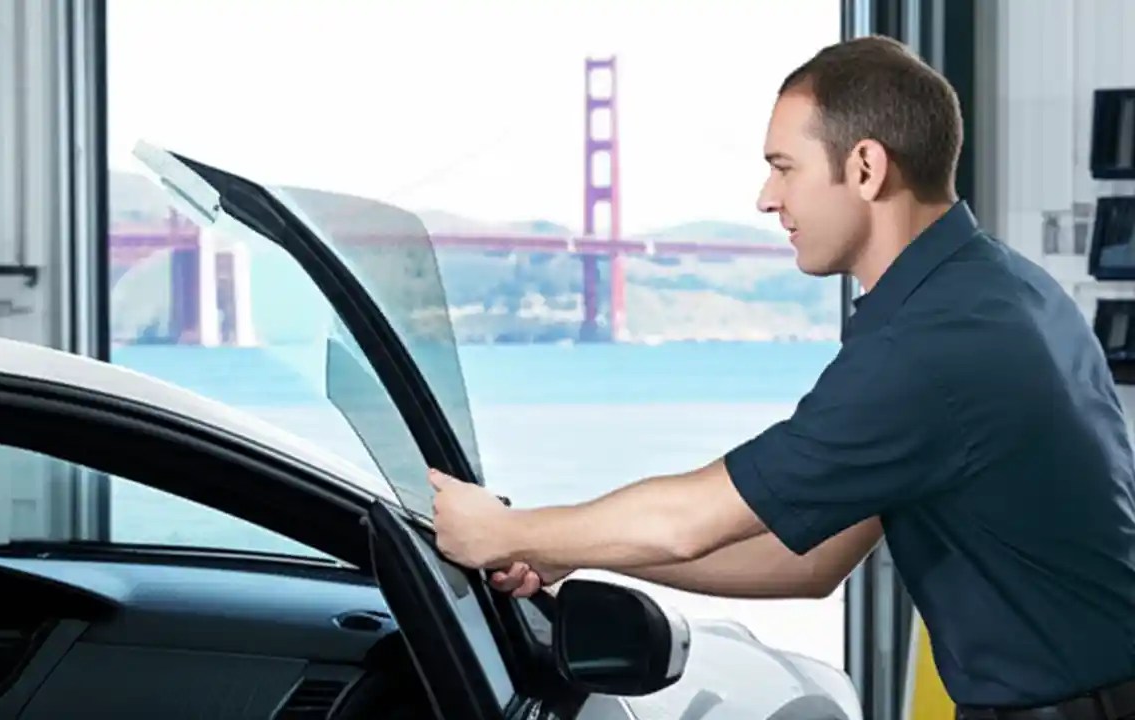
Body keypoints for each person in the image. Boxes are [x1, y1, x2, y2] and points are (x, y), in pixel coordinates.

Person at [429, 34, 1135, 719]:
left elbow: (689, 521)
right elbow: (808, 559)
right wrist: (560, 550)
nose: (766, 198)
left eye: (784, 166)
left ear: (864, 168)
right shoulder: (1000, 292)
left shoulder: (927, 347)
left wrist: (505, 531)